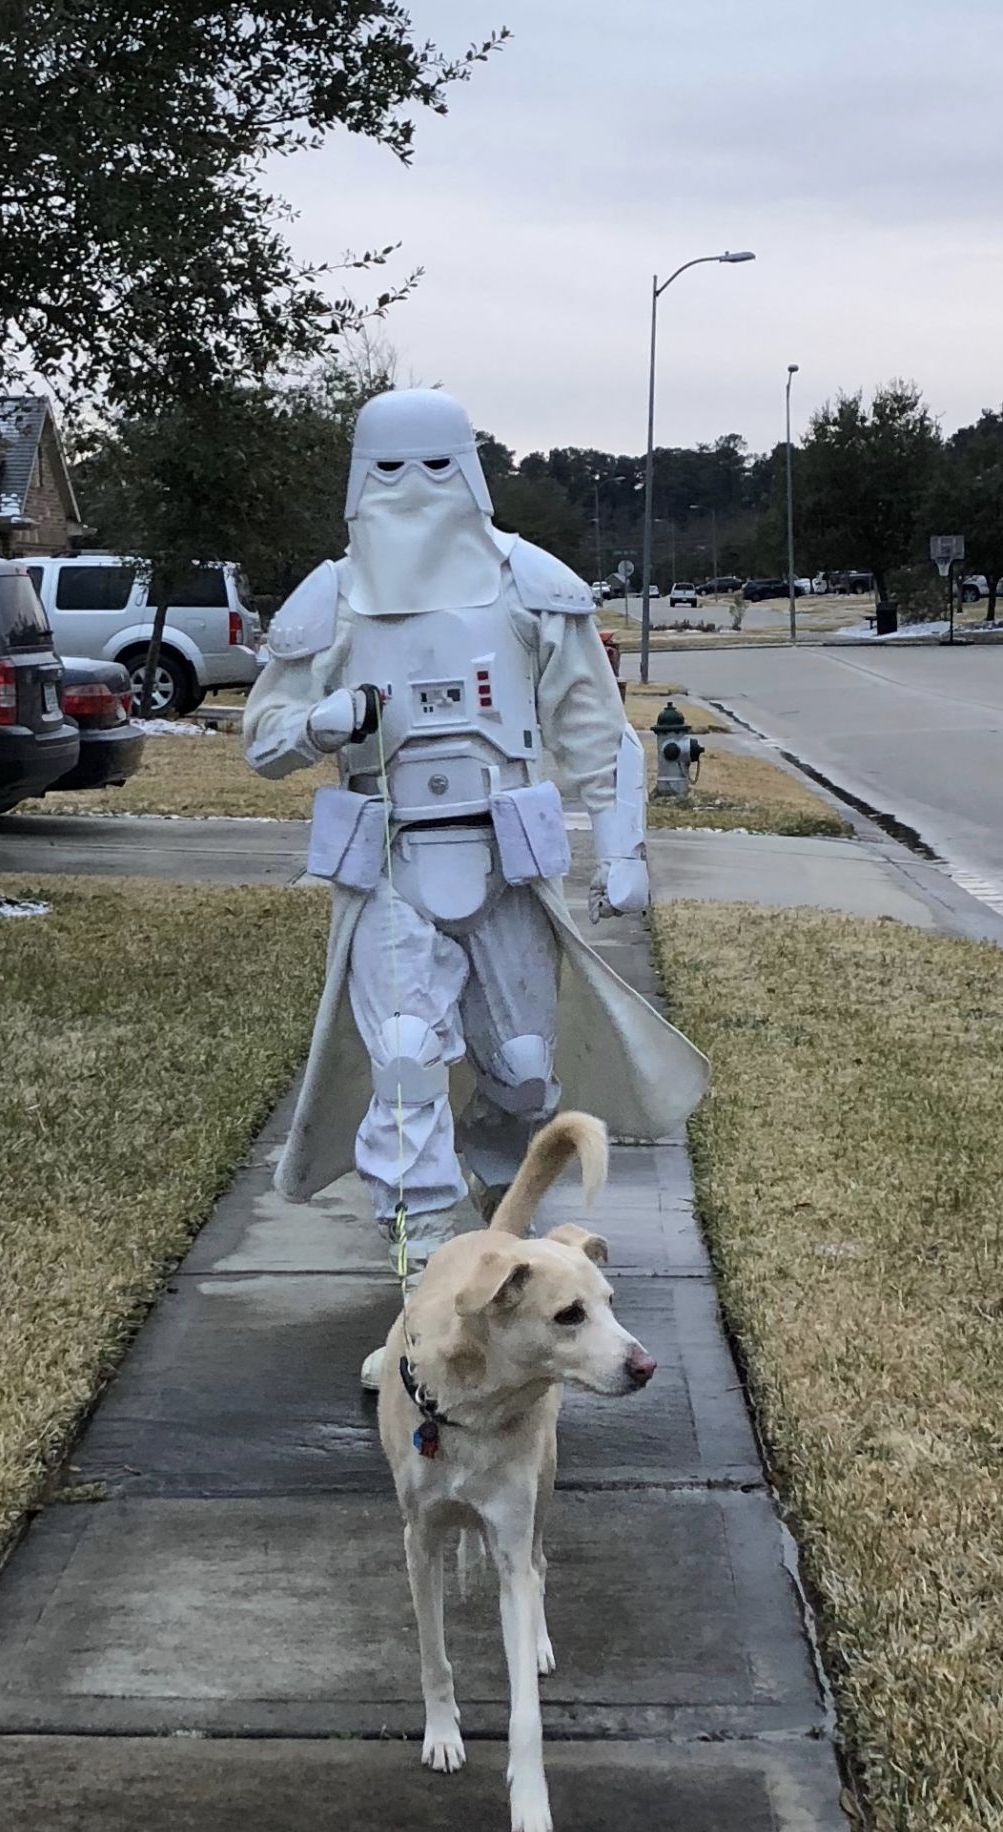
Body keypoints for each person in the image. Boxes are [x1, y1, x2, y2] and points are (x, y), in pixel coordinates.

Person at [243, 389, 708, 1387]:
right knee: (405, 1064)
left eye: (433, 466)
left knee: (527, 1073)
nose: (413, 489)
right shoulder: (327, 598)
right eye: (390, 467)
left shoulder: (533, 587)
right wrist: (325, 720)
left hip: (504, 862)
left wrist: (620, 848)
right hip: (392, 863)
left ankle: (508, 1277)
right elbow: (263, 737)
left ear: (469, 468)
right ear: (360, 475)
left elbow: (596, 732)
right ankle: (419, 1311)